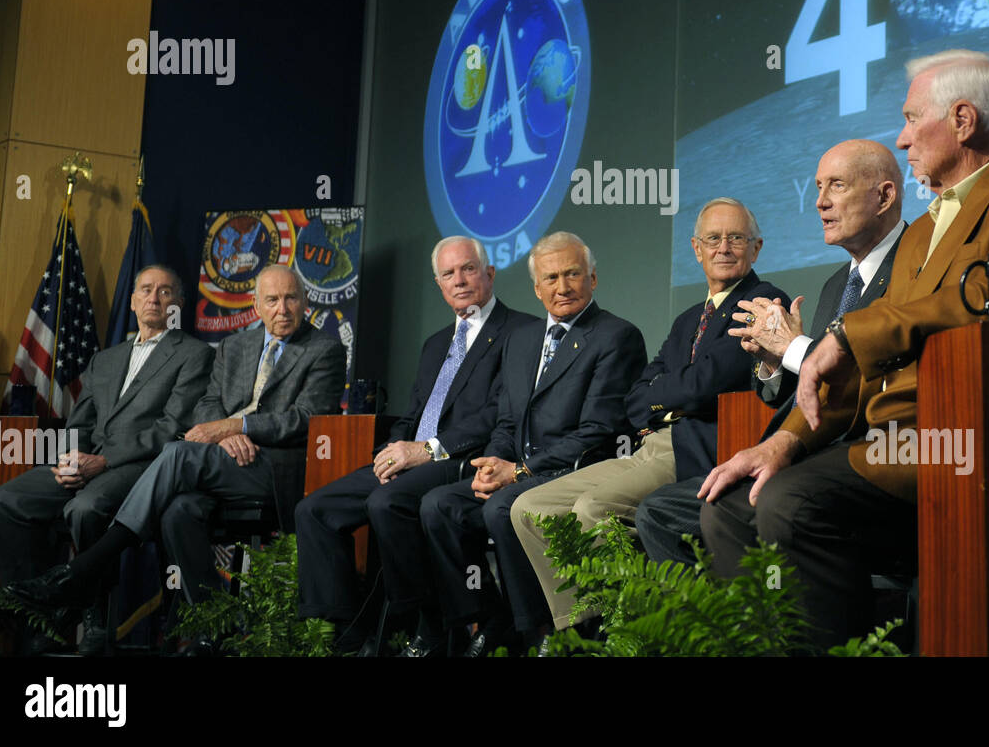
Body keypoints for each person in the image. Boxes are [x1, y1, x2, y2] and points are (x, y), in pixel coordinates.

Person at [699, 49, 989, 648]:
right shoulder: (927, 228)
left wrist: (845, 335)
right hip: (889, 439)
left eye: (912, 119)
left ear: (962, 121)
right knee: (729, 503)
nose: (904, 138)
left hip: (967, 439)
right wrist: (781, 441)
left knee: (791, 503)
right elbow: (865, 373)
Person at [509, 198, 787, 640]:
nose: (724, 247)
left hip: (695, 451)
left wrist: (665, 397)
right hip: (649, 446)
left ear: (756, 248)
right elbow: (636, 398)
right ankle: (584, 629)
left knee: (593, 510)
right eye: (713, 239)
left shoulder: (764, 301)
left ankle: (632, 632)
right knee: (530, 508)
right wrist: (667, 398)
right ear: (696, 249)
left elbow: (708, 381)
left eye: (736, 238)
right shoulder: (687, 319)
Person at [8, 264, 346, 626]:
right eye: (273, 300)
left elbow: (307, 417)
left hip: (272, 467)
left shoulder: (324, 349)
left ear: (306, 300)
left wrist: (236, 425)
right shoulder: (235, 345)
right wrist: (226, 433)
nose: (283, 309)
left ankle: (84, 568)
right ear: (256, 305)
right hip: (221, 457)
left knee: (178, 452)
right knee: (178, 512)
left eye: (291, 298)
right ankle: (210, 623)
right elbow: (207, 404)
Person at [635, 142, 905, 565]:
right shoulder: (837, 283)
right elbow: (812, 386)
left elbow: (865, 374)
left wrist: (794, 348)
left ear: (884, 197)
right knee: (660, 511)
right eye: (817, 187)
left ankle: (760, 629)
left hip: (872, 450)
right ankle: (702, 630)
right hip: (811, 444)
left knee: (724, 505)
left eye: (836, 185)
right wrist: (774, 363)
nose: (819, 202)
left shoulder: (912, 265)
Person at [295, 236, 537, 652]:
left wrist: (427, 450)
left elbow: (501, 415)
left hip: (460, 460)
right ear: (439, 285)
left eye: (468, 269)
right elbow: (412, 416)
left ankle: (429, 623)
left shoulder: (522, 332)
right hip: (411, 459)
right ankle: (350, 636)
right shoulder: (435, 344)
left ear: (489, 273)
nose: (459, 280)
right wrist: (394, 449)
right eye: (448, 274)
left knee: (387, 504)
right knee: (314, 510)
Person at [415, 232, 646, 656]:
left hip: (573, 470)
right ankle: (490, 615)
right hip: (516, 469)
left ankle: (541, 631)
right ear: (536, 289)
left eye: (573, 274)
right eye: (551, 278)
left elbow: (598, 431)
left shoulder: (616, 336)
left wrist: (520, 471)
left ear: (593, 278)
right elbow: (507, 421)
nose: (563, 287)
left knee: (502, 508)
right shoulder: (521, 340)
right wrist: (494, 462)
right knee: (439, 505)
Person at [0, 265, 212, 653]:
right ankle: (39, 613)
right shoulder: (106, 359)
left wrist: (103, 462)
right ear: (135, 300)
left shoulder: (194, 355)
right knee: (1, 503)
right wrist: (68, 459)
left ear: (180, 304)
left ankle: (93, 616)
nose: (154, 298)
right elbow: (79, 421)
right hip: (86, 462)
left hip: (141, 466)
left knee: (86, 509)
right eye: (146, 290)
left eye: (165, 292)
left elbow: (171, 428)